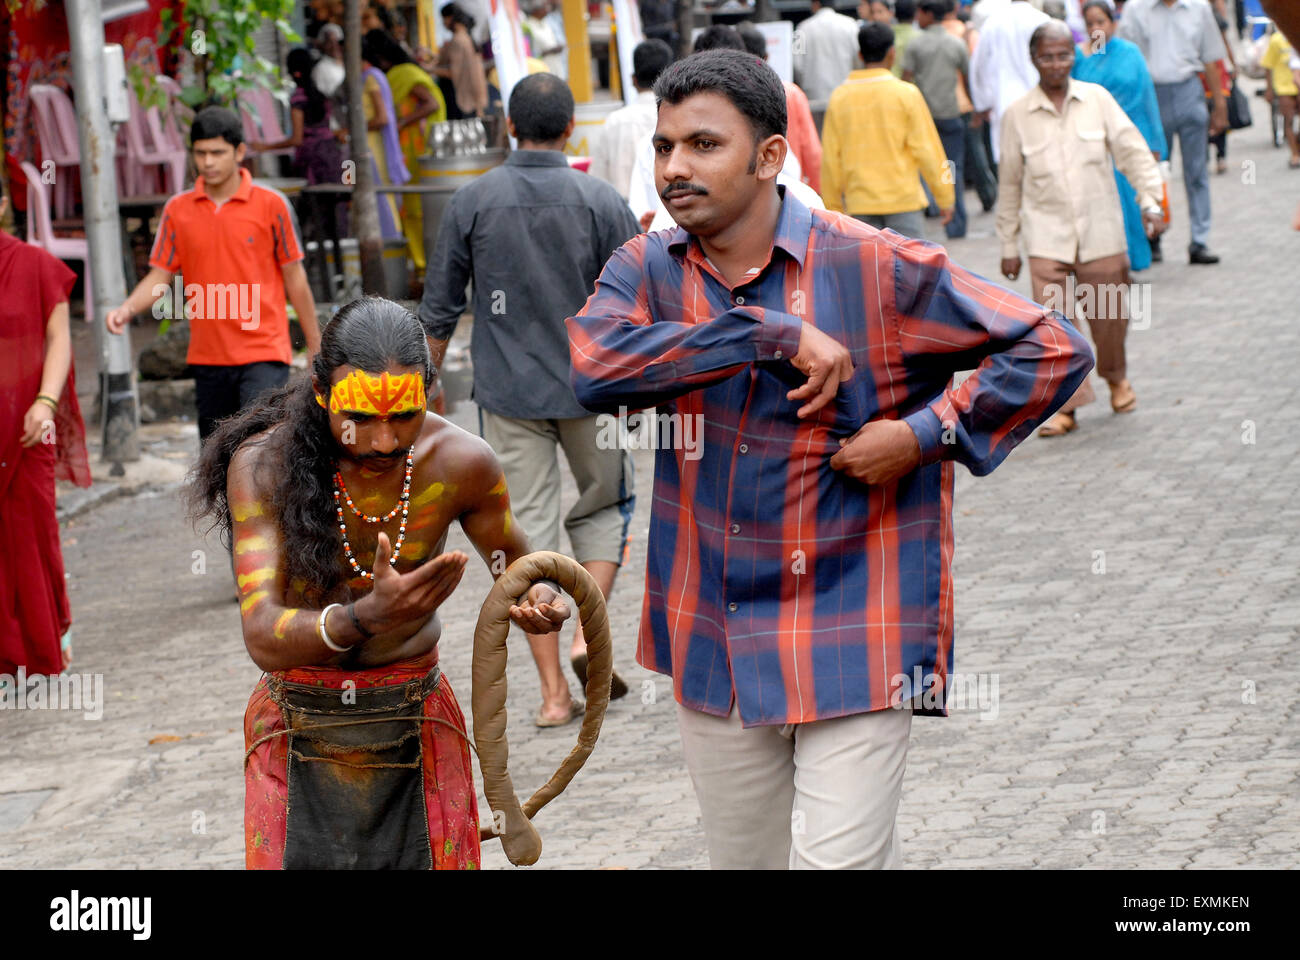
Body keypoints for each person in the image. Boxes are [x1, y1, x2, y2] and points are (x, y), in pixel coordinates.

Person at [567, 48, 1092, 870]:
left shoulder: (876, 265)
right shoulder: (647, 269)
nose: (675, 167)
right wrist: (764, 332)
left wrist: (923, 435)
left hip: (857, 626)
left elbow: (1056, 343)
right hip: (715, 632)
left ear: (771, 156)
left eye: (703, 145)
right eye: (665, 147)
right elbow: (596, 369)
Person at [188, 297, 573, 869]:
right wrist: (363, 618)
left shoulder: (464, 462)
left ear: (431, 394)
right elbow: (263, 634)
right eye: (360, 418)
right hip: (297, 728)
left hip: (417, 719)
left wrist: (541, 598)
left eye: (404, 416)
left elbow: (518, 568)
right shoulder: (263, 466)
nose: (384, 442)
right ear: (321, 393)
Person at [419, 74, 637, 726]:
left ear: (507, 127)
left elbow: (438, 310)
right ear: (572, 129)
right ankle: (581, 633)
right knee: (605, 508)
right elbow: (636, 300)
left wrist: (425, 392)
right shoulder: (601, 201)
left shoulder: (472, 202)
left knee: (525, 541)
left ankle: (551, 696)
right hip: (592, 389)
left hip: (509, 393)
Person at [105, 107, 321, 444]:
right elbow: (159, 275)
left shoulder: (272, 205)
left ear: (238, 152)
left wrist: (314, 342)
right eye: (200, 153)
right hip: (208, 357)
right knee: (216, 459)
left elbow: (295, 278)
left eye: (217, 153)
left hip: (264, 350)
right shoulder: (178, 210)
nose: (208, 162)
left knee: (261, 449)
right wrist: (127, 309)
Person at [997, 20, 1165, 436]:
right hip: (1045, 237)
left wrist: (1151, 200)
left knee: (1109, 318)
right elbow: (1010, 184)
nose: (1056, 63)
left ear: (1074, 56)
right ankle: (1066, 407)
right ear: (1034, 60)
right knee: (1054, 327)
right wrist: (1008, 243)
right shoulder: (1017, 115)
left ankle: (1116, 377)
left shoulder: (1097, 100)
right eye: (1047, 56)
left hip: (1101, 231)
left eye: (1063, 55)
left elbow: (1134, 154)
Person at [0, 182, 92, 683]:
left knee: (33, 535)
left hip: (28, 425)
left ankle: (43, 641)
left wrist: (45, 402)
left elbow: (59, 339)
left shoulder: (35, 265)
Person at [1119, 0, 1228, 264]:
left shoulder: (1199, 8)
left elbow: (1211, 58)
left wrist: (1220, 104)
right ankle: (1153, 236)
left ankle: (1199, 241)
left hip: (1190, 90)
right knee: (1152, 170)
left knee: (1197, 172)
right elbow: (1124, 57)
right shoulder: (1136, 9)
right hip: (1151, 95)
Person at [821, 22, 954, 238]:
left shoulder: (840, 98)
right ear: (892, 54)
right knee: (911, 269)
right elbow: (929, 150)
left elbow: (830, 160)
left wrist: (832, 208)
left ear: (860, 55)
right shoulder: (906, 94)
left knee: (868, 271)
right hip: (904, 202)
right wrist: (945, 198)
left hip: (860, 206)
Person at [1072, 0, 1168, 271]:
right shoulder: (1079, 58)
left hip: (1130, 139)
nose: (1096, 29)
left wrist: (1155, 142)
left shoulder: (1130, 53)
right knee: (1103, 205)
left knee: (1131, 200)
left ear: (1113, 22)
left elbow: (1147, 98)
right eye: (1090, 23)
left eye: (1100, 22)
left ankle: (1135, 258)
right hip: (1093, 143)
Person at [367, 29, 446, 274]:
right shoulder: (402, 73)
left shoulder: (403, 74)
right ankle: (420, 267)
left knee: (414, 208)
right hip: (410, 147)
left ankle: (423, 268)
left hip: (415, 148)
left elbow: (430, 103)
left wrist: (402, 122)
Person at [903, 0, 972, 237]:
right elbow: (967, 77)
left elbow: (905, 79)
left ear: (927, 14)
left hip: (924, 118)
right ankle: (957, 224)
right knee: (953, 170)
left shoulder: (916, 45)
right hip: (951, 114)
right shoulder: (956, 44)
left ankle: (934, 210)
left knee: (926, 167)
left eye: (920, 13)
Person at [738, 22, 824, 191]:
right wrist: (814, 192)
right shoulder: (790, 93)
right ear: (766, 57)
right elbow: (811, 151)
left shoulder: (725, 98)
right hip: (790, 188)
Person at [589, 38, 674, 201]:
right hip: (671, 217)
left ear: (633, 80)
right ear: (671, 75)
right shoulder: (679, 118)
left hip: (624, 216)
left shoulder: (614, 122)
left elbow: (597, 181)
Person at [251, 48, 345, 188]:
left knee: (314, 202)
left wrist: (265, 147)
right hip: (331, 155)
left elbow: (297, 139)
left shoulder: (298, 99)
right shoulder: (321, 95)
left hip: (311, 160)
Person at [969, 0, 1050, 162]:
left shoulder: (992, 23)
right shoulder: (1044, 21)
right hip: (1041, 102)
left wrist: (982, 104)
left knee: (1009, 166)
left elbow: (978, 66)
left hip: (1003, 103)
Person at [942, 0, 999, 211]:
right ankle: (988, 194)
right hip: (965, 104)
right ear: (955, 9)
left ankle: (952, 206)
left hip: (939, 110)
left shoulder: (924, 40)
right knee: (977, 154)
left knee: (948, 163)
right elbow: (975, 72)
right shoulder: (966, 35)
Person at [361, 33, 413, 241]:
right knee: (353, 188)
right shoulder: (366, 78)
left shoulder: (371, 78)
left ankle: (391, 242)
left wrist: (353, 129)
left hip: (372, 149)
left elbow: (382, 117)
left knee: (380, 195)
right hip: (355, 149)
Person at [793, 0, 863, 102]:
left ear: (816, 3)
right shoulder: (851, 25)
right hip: (847, 94)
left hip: (814, 96)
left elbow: (796, 65)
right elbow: (859, 58)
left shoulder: (801, 29)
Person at [435, 2, 490, 120]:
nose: (443, 23)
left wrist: (427, 69)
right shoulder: (467, 37)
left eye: (444, 19)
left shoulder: (458, 40)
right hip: (473, 100)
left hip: (460, 101)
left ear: (450, 18)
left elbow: (453, 72)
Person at [1261, 21, 1300, 167]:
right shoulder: (1276, 40)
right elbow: (1268, 66)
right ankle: (1294, 154)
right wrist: (1269, 89)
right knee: (1288, 119)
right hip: (1284, 86)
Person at [522, 0, 567, 77]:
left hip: (555, 67)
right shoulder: (527, 26)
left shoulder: (546, 23)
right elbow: (529, 52)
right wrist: (548, 51)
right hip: (540, 69)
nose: (547, 10)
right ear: (536, 10)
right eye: (544, 8)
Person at [891, 0, 919, 77]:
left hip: (888, 83)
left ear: (894, 14)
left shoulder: (887, 35)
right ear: (915, 15)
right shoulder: (920, 37)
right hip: (912, 86)